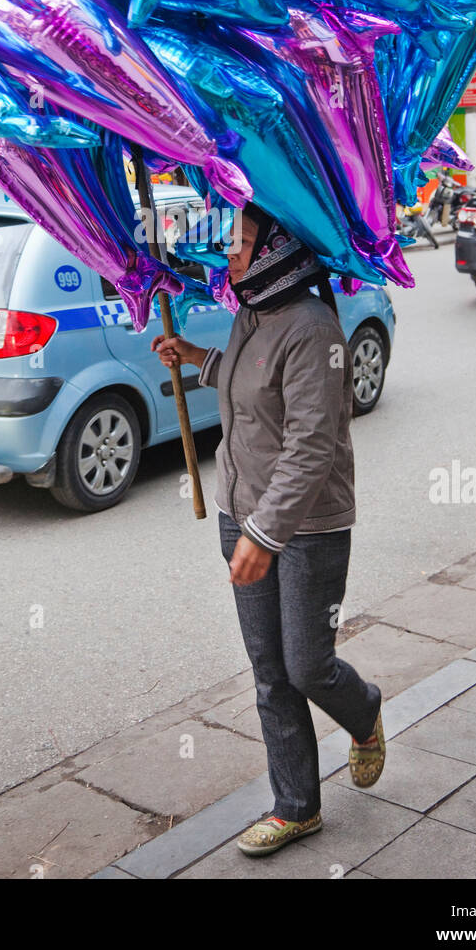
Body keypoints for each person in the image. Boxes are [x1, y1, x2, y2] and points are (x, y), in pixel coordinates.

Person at [151, 202, 384, 857]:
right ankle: (296, 806)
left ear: (279, 251)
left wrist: (265, 534)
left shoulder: (314, 330)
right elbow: (250, 389)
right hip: (240, 511)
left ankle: (362, 710)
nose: (230, 253)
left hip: (305, 526)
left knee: (308, 664)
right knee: (269, 670)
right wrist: (199, 356)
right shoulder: (252, 311)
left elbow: (310, 447)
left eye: (243, 243)